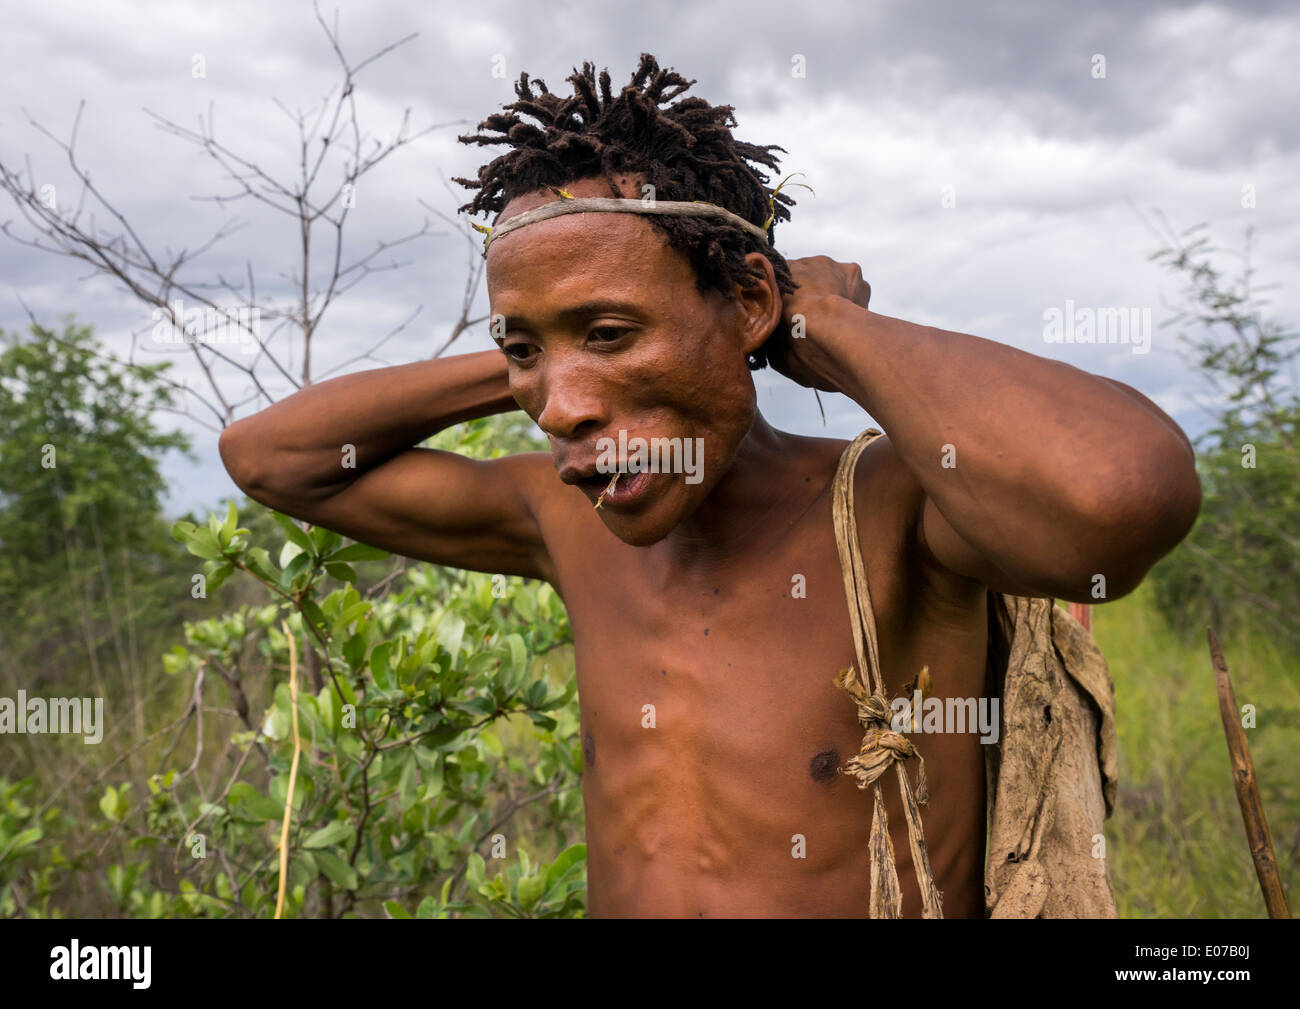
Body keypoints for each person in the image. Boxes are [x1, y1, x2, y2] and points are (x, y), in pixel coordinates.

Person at [218, 54, 1200, 917]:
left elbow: (1116, 495)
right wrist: (557, 346)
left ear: (747, 303)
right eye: (522, 350)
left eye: (610, 332)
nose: (557, 408)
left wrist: (819, 323)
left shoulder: (892, 511)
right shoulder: (561, 518)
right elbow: (272, 458)